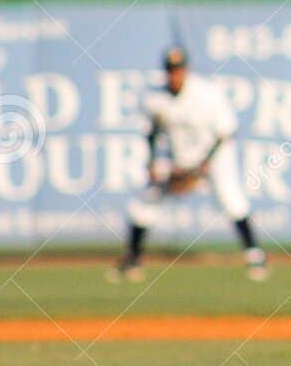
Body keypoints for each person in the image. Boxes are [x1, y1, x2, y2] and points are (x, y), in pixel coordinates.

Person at [114, 47, 267, 282]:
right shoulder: (154, 98)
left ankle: (255, 256)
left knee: (231, 198)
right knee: (147, 198)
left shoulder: (207, 93)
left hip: (215, 156)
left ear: (186, 70)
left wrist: (203, 165)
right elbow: (150, 133)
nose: (174, 75)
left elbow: (226, 131)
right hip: (179, 158)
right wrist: (153, 163)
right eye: (170, 70)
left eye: (178, 69)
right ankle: (132, 258)